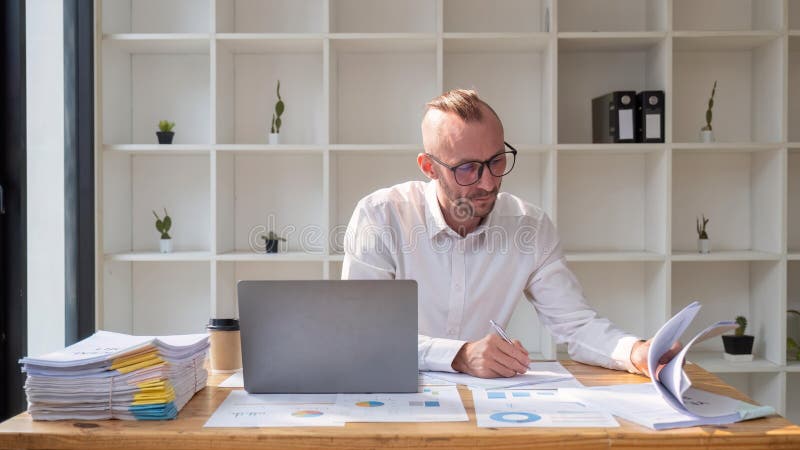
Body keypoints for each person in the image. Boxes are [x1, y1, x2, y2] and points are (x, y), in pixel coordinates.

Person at [342, 89, 679, 378]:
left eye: (497, 161)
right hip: (392, 392)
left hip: (483, 405)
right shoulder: (381, 216)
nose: (489, 183)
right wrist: (460, 355)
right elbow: (364, 334)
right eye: (467, 168)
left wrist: (636, 353)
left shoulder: (528, 226)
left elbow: (575, 325)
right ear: (430, 168)